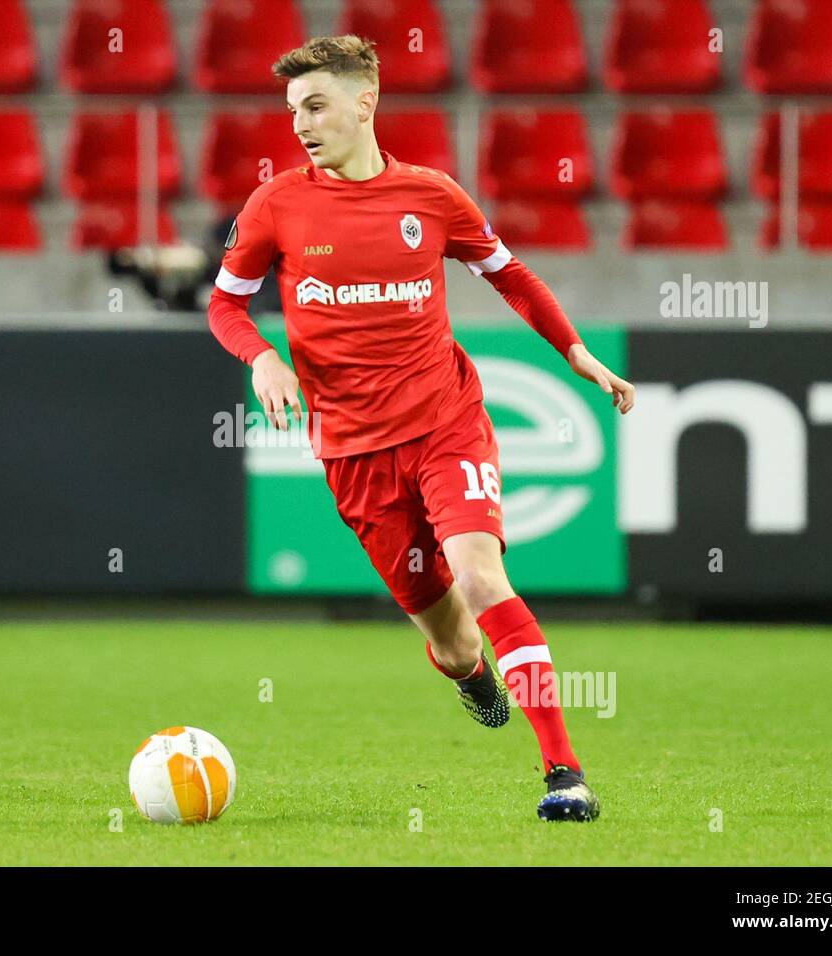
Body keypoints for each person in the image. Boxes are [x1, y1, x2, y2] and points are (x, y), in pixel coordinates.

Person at [207, 36, 635, 821]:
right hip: (353, 450)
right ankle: (471, 677)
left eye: (315, 105)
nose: (300, 124)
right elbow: (225, 304)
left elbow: (512, 276)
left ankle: (564, 773)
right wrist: (263, 361)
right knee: (456, 641)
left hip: (446, 422)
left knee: (481, 576)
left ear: (364, 103)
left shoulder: (433, 197)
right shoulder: (278, 205)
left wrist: (576, 352)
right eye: (293, 111)